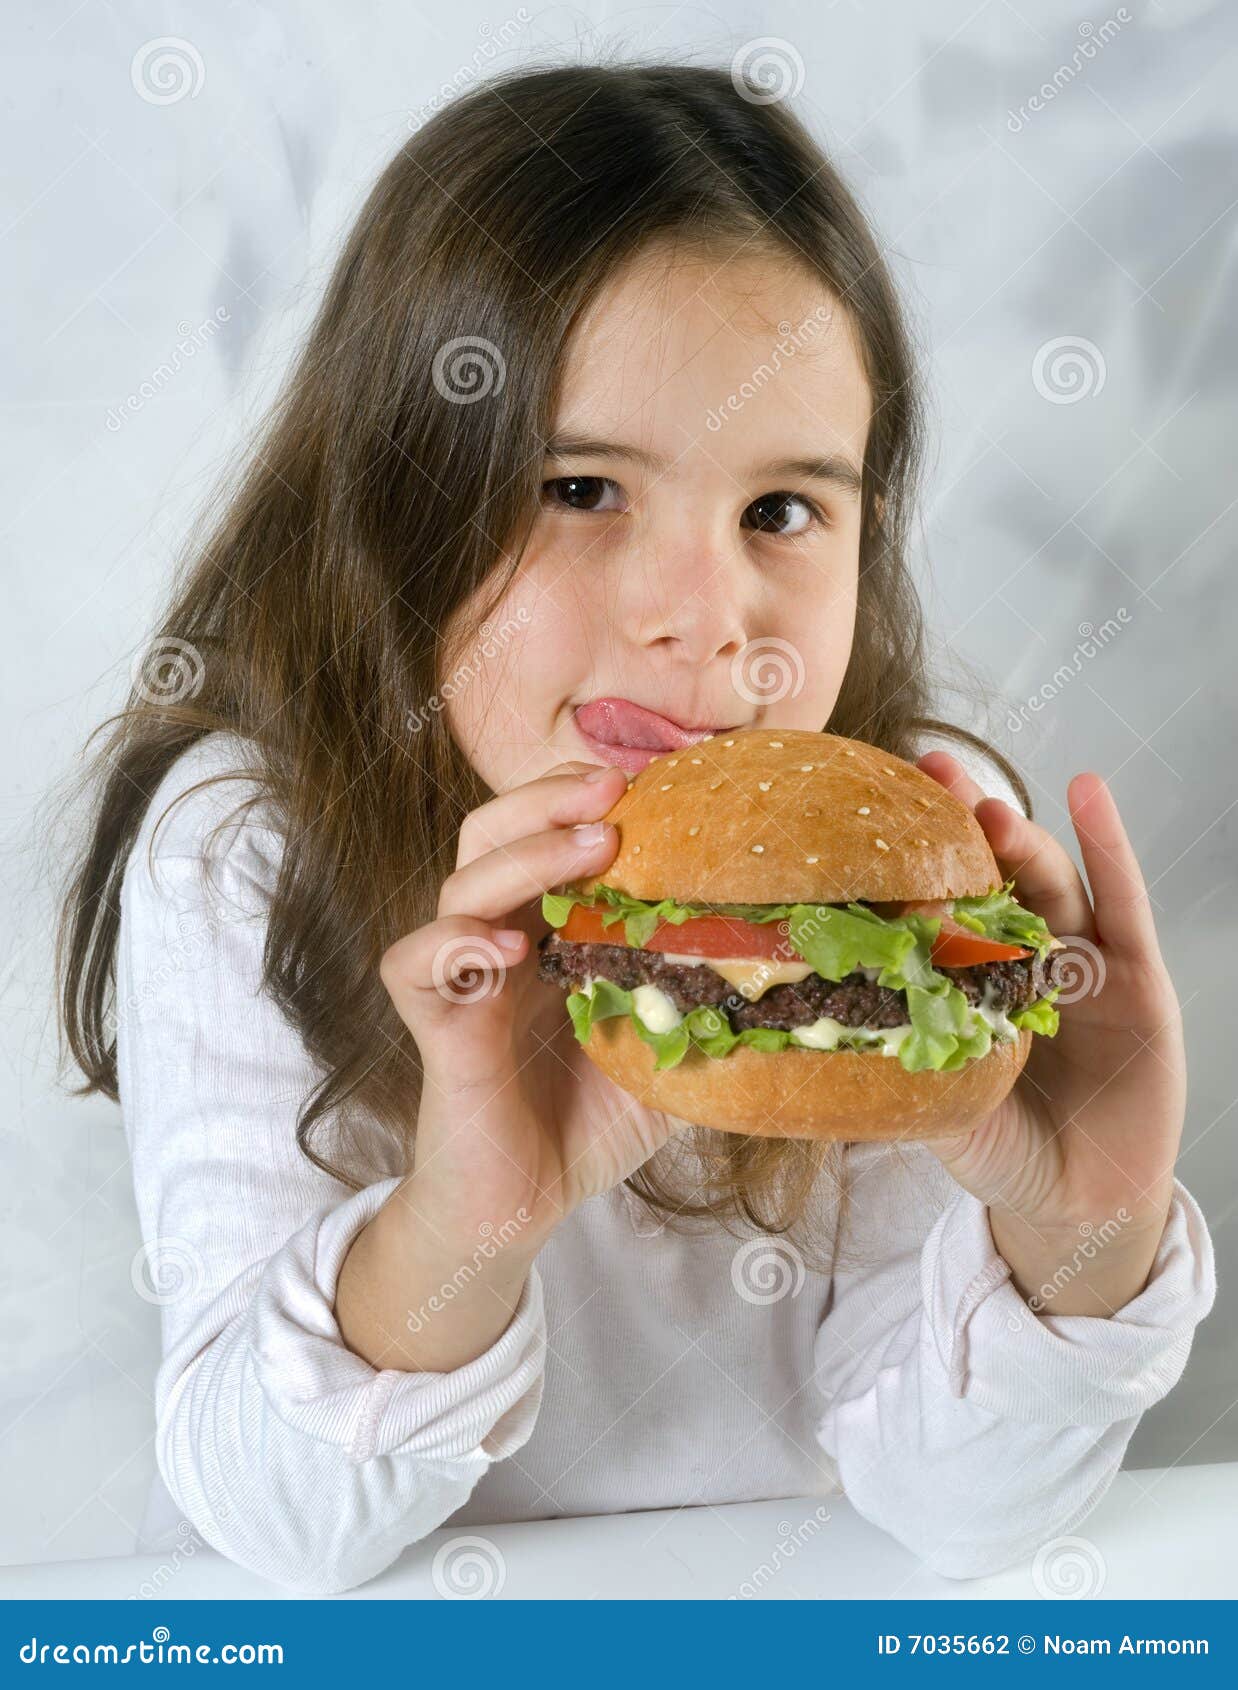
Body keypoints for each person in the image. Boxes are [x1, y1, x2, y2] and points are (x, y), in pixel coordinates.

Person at [57, 62, 1214, 1595]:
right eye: (582, 486)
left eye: (782, 512)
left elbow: (954, 1516)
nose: (704, 622)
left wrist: (1082, 1238)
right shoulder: (243, 849)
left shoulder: (900, 846)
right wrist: (467, 1218)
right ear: (405, 499)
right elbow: (271, 1527)